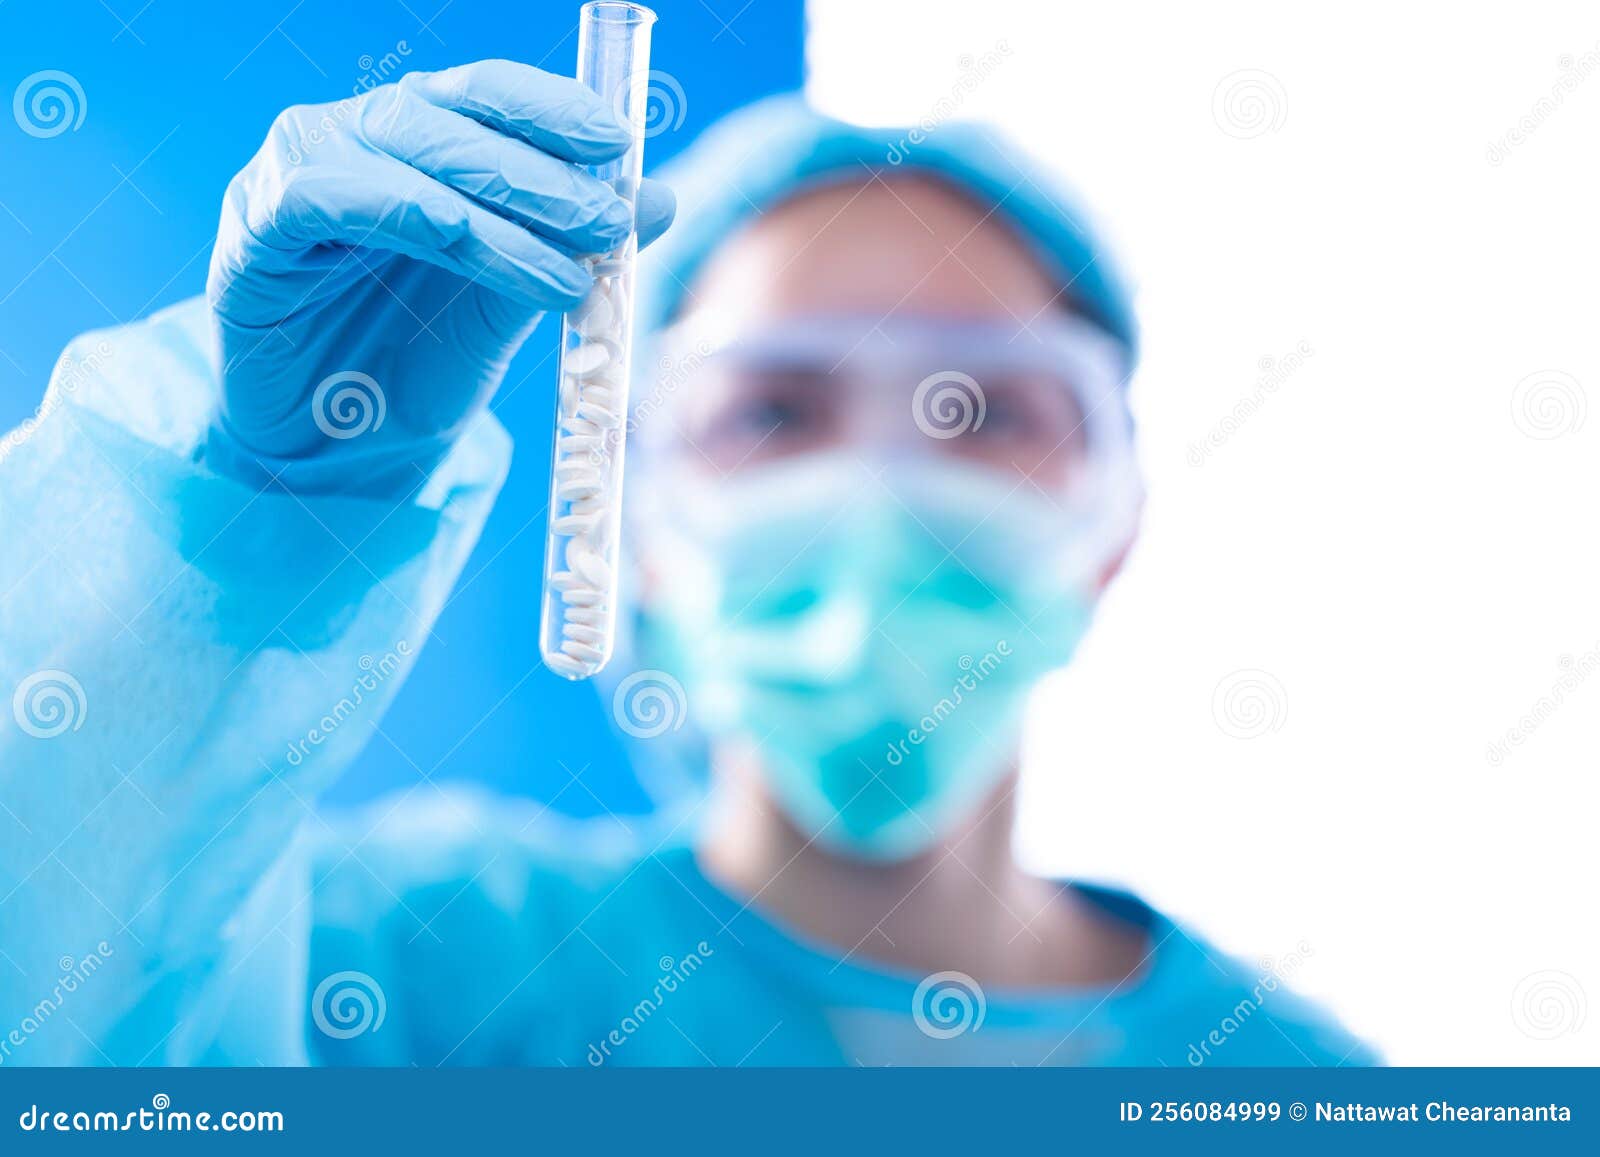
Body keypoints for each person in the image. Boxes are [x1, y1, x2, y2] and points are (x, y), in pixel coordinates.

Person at [0, 61, 1372, 1067]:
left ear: (1115, 518)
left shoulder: (1289, 1084)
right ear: (634, 513)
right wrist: (252, 535)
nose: (876, 493)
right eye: (776, 411)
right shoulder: (411, 966)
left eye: (985, 412)